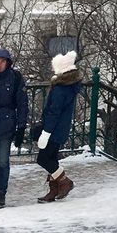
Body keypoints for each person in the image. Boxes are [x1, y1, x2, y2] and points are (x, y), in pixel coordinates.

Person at [36, 50, 83, 203]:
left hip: (54, 130)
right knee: (51, 158)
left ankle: (64, 181)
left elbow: (53, 112)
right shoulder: (69, 87)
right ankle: (53, 189)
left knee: (43, 159)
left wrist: (46, 132)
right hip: (61, 128)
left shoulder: (61, 89)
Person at [0, 47, 28, 209]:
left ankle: (0, 194)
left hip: (6, 124)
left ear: (7, 63)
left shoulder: (14, 78)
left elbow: (22, 103)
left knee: (3, 161)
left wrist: (21, 126)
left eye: (2, 62)